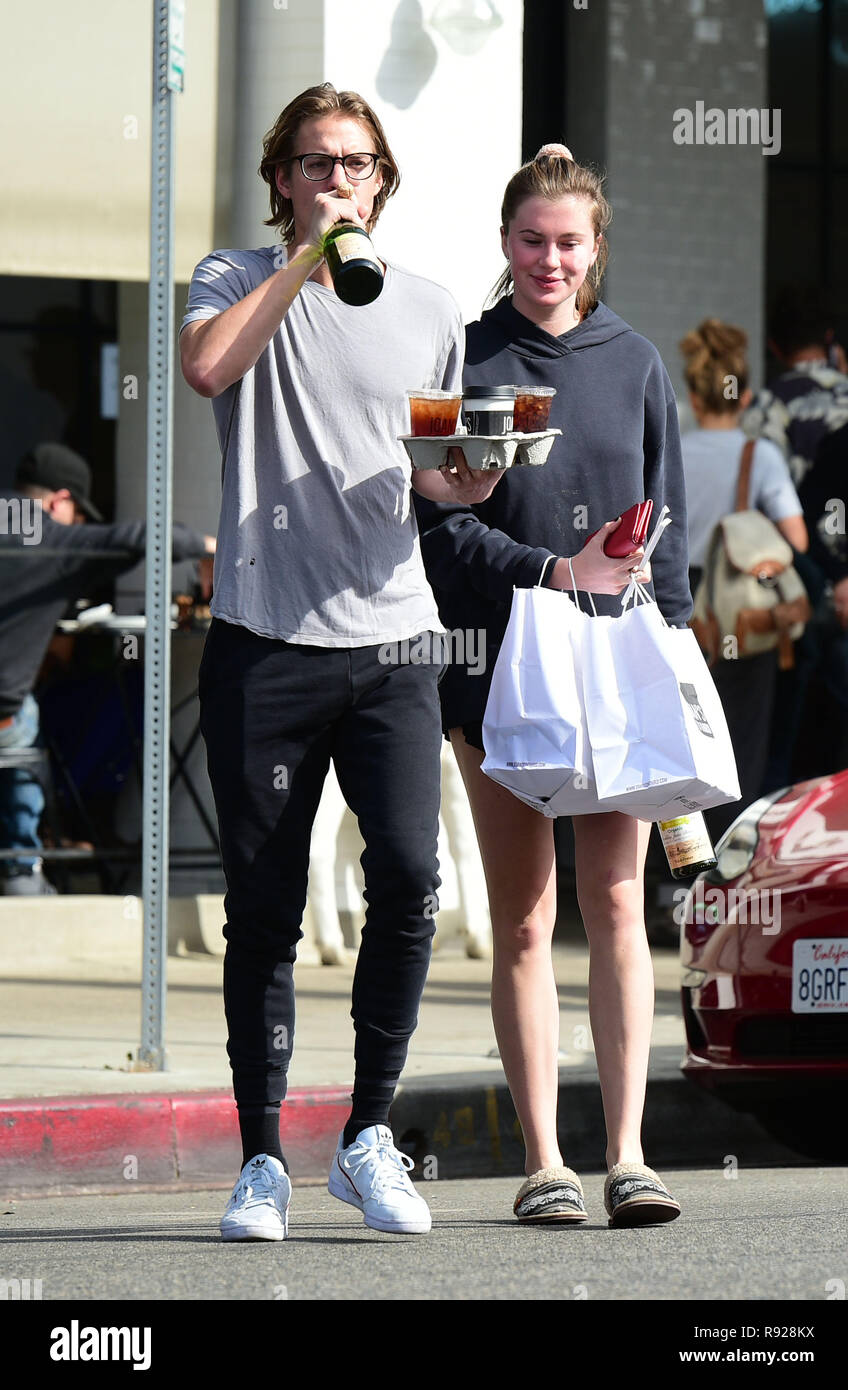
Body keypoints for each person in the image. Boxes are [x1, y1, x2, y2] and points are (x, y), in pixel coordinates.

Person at [179, 82, 498, 1242]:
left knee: (411, 876)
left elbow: (429, 461)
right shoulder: (231, 278)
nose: (337, 180)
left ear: (383, 179)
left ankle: (368, 1137)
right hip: (266, 639)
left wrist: (462, 482)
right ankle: (261, 1155)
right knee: (263, 909)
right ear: (283, 180)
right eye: (315, 164)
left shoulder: (428, 305)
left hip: (396, 637)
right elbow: (210, 370)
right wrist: (305, 259)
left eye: (356, 165)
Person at [416, 145, 691, 1226]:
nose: (549, 258)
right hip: (492, 667)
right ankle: (545, 1163)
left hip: (616, 669)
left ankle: (628, 1153)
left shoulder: (639, 363)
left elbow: (666, 533)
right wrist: (546, 574)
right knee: (526, 918)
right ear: (504, 243)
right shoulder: (467, 357)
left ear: (594, 249)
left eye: (568, 241)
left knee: (618, 902)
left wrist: (667, 647)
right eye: (531, 239)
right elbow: (441, 524)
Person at [0, 442, 214, 894]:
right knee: (30, 719)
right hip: (4, 718)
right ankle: (23, 869)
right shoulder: (54, 539)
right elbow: (144, 537)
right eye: (77, 514)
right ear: (60, 500)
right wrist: (209, 546)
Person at [678, 319, 808, 840]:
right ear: (746, 395)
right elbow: (796, 540)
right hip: (739, 611)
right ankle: (727, 885)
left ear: (692, 393)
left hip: (679, 609)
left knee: (683, 746)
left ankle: (675, 884)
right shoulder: (762, 457)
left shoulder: (674, 451)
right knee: (740, 745)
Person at [741, 287, 848, 785]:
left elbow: (758, 506)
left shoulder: (766, 408)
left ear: (773, 346)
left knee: (785, 727)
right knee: (846, 730)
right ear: (830, 339)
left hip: (792, 585)